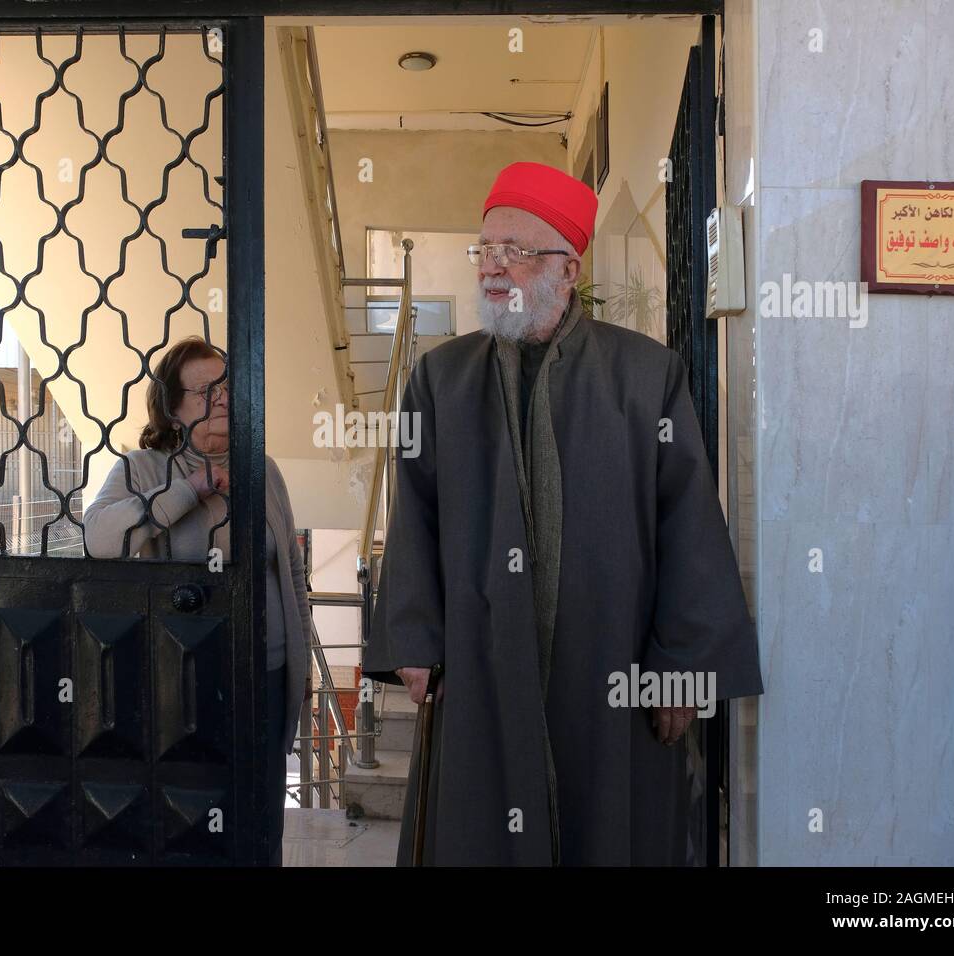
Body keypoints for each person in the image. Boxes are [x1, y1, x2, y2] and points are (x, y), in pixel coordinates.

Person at [362, 161, 764, 865]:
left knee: (606, 825)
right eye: (484, 251)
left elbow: (689, 523)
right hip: (481, 664)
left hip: (611, 665)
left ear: (568, 268)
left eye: (514, 252)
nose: (492, 268)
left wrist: (683, 667)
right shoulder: (440, 378)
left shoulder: (646, 376)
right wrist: (414, 637)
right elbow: (414, 515)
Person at [83, 335, 313, 866]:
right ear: (173, 406)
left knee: (261, 814)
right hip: (184, 679)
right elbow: (100, 539)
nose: (224, 400)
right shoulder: (142, 467)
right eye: (208, 390)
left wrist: (303, 669)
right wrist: (192, 487)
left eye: (228, 387)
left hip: (269, 672)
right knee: (191, 813)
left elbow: (292, 572)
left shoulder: (264, 470)